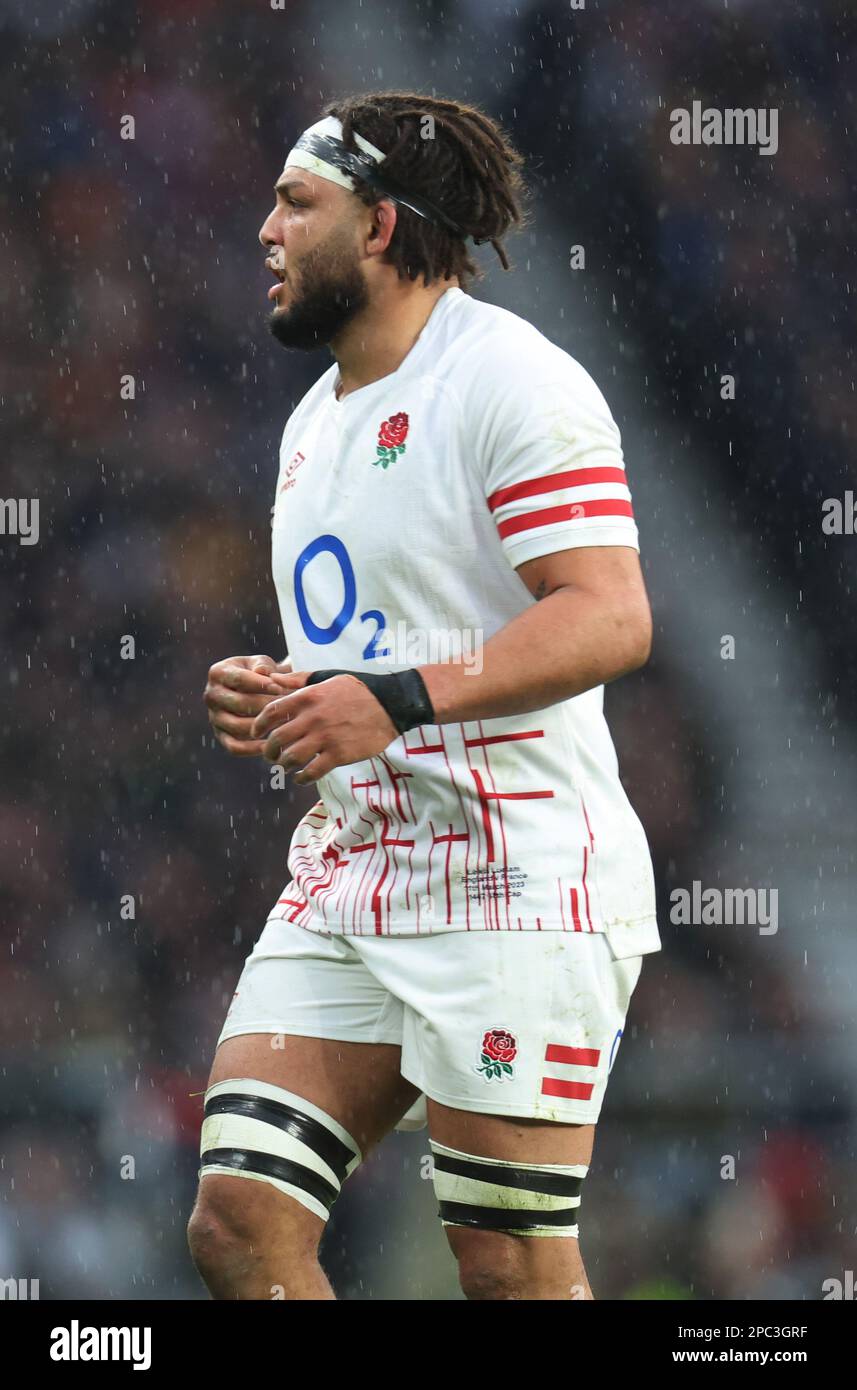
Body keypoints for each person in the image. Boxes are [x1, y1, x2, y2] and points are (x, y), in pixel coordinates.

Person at [187, 91, 661, 1301]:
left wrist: (393, 700)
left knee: (505, 1264)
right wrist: (285, 693)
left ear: (381, 226)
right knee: (239, 1223)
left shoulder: (512, 380)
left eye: (296, 204)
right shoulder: (310, 425)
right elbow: (381, 641)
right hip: (359, 867)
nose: (267, 230)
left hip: (515, 875)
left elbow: (610, 613)